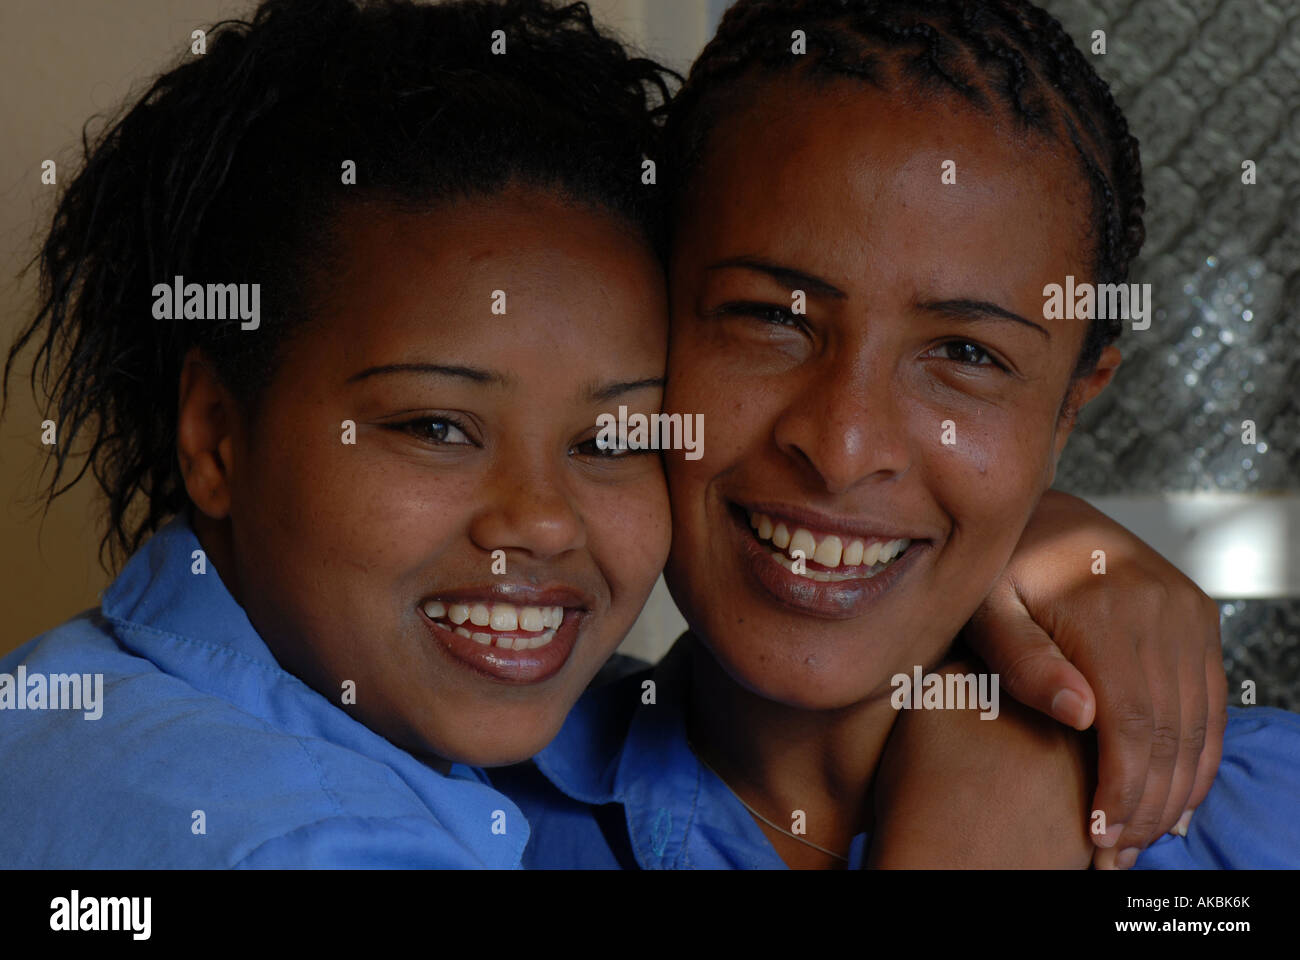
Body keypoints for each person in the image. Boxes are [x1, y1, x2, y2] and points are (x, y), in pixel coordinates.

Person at [494, 0, 1299, 870]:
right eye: (771, 317)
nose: (842, 447)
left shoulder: (1262, 821)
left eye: (964, 352)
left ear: (1070, 407)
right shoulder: (452, 801)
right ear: (648, 318)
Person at [0, 0, 677, 867]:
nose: (545, 521)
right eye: (437, 426)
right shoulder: (318, 846)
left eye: (613, 440)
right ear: (215, 438)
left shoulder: (63, 696)